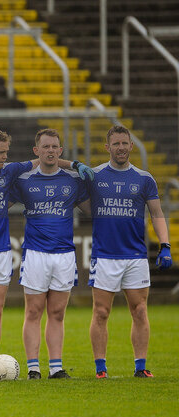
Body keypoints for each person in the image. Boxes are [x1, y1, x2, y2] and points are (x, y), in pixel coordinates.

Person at [0, 127, 89, 366]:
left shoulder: (10, 170)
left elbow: (46, 157)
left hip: (3, 251)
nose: (6, 157)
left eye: (7, 152)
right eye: (2, 152)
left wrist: (75, 165)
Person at [87, 125, 171, 378]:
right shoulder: (95, 175)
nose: (121, 148)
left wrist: (165, 245)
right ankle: (101, 368)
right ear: (107, 147)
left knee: (140, 310)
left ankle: (140, 367)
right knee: (101, 312)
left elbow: (156, 213)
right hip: (104, 256)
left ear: (131, 146)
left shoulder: (144, 179)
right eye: (116, 144)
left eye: (125, 143)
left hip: (135, 257)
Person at [10, 128, 90, 380]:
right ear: (36, 151)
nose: (51, 151)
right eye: (46, 147)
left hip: (64, 255)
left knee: (57, 313)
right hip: (35, 254)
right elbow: (0, 205)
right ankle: (33, 368)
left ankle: (56, 367)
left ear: (60, 150)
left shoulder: (73, 181)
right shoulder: (24, 181)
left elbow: (93, 211)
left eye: (55, 146)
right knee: (33, 312)